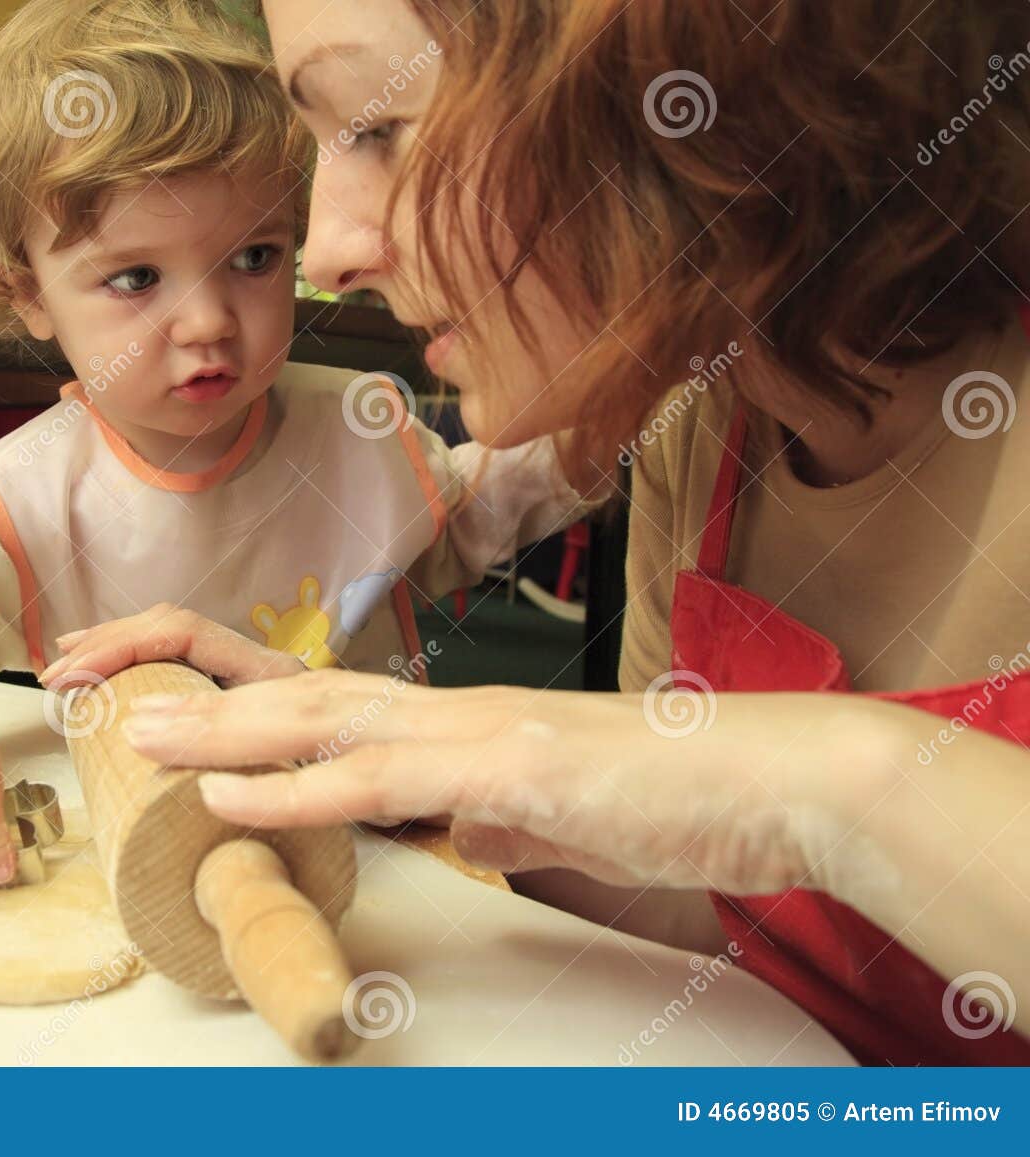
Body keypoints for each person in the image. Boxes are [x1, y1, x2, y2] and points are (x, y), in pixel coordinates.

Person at [50, 0, 1030, 1064]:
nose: (326, 253)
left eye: (378, 128)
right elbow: (725, 914)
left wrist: (831, 785)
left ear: (687, 79)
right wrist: (406, 781)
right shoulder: (694, 422)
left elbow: (795, 814)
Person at [0, 0, 594, 895]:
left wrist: (609, 410)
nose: (210, 321)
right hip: (148, 873)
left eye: (255, 258)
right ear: (26, 293)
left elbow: (467, 513)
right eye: (137, 277)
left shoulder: (357, 432)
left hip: (400, 868)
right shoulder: (21, 497)